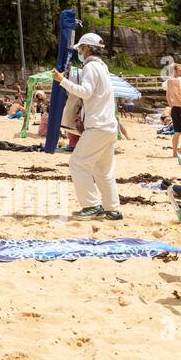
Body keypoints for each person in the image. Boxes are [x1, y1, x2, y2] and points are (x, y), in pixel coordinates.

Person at [53, 32, 121, 220]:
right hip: (109, 126)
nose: (80, 52)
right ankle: (112, 209)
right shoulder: (103, 68)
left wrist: (62, 81)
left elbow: (85, 92)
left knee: (77, 163)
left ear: (87, 48)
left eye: (81, 48)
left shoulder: (90, 67)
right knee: (103, 171)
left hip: (98, 126)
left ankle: (91, 205)